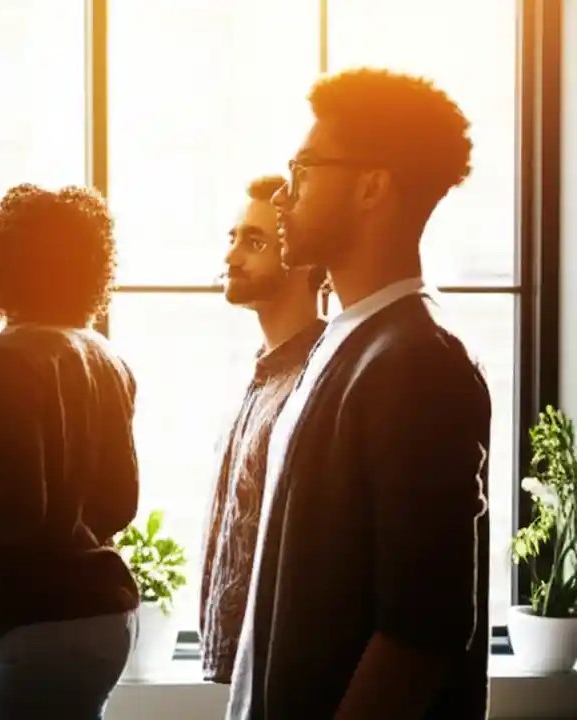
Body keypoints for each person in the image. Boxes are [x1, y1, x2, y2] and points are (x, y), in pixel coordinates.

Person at [228, 69, 492, 719]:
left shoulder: (418, 365)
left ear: (372, 186)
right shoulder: (343, 346)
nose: (286, 195)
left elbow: (420, 630)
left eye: (307, 169)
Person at [0, 184, 140, 720]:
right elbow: (120, 506)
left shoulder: (0, 358)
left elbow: (15, 509)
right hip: (105, 619)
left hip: (35, 620)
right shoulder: (108, 360)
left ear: (1, 261)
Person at [198, 175, 326, 684]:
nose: (232, 256)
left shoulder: (316, 381)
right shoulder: (260, 377)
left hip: (291, 671)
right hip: (251, 672)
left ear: (306, 257)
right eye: (232, 238)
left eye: (254, 242)